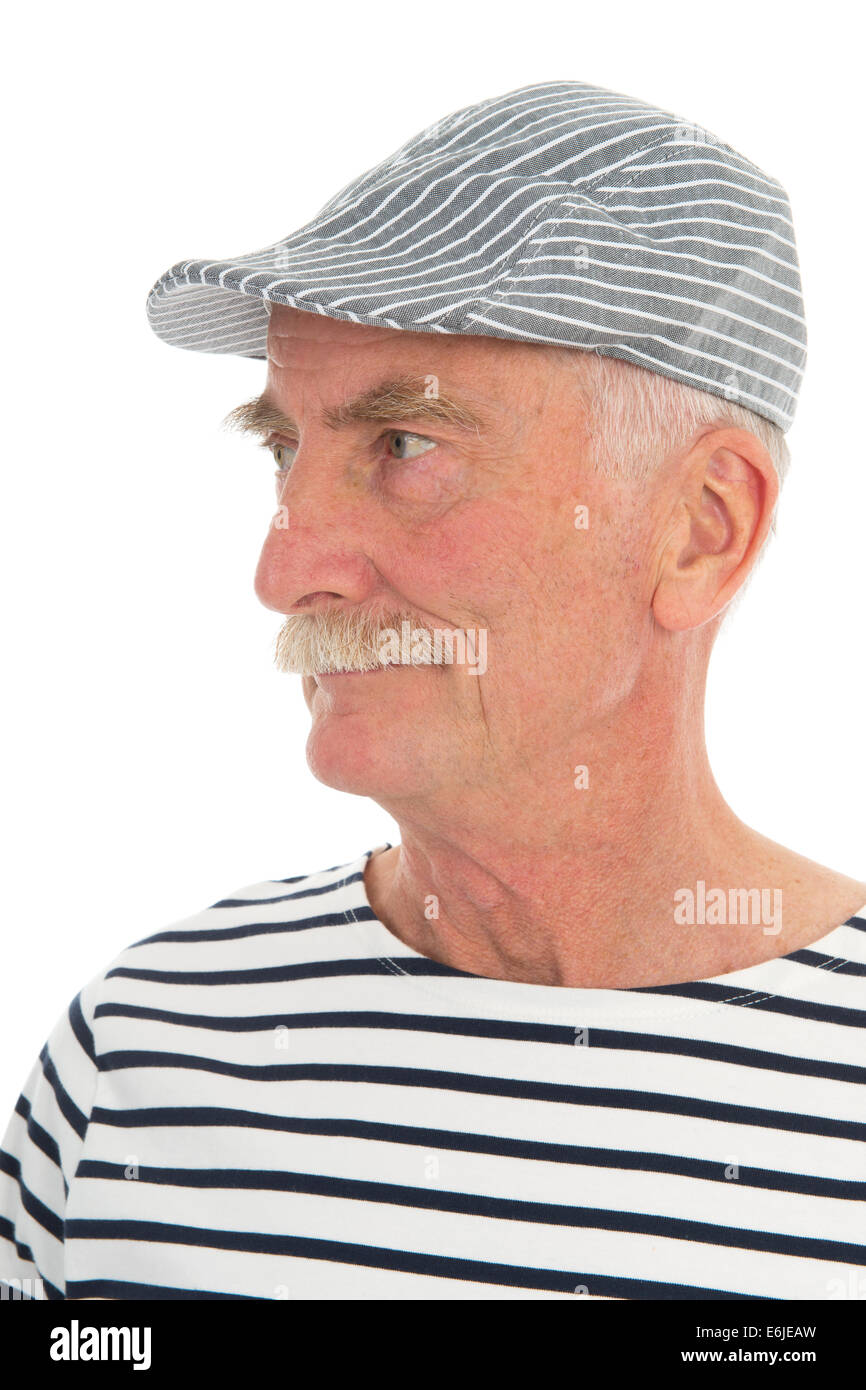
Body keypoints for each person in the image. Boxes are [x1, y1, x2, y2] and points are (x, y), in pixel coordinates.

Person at [2, 79, 864, 1302]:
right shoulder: (141, 1060)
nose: (283, 570)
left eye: (404, 449)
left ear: (698, 530)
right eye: (283, 451)